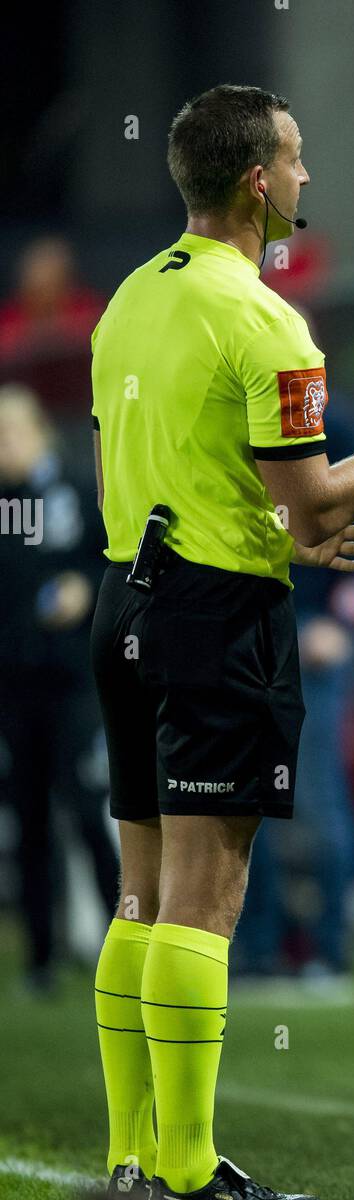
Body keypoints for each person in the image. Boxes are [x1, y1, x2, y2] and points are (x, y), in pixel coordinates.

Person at [90, 84, 354, 1200]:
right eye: (295, 160)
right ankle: (192, 1169)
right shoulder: (264, 319)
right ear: (257, 180)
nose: (307, 179)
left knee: (142, 897)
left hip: (126, 601)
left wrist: (283, 529)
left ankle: (132, 1153)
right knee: (206, 898)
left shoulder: (130, 299)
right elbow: (308, 506)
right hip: (214, 621)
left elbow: (181, 470)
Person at [0, 384, 118, 992]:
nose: (4, 446)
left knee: (88, 810)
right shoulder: (4, 503)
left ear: (39, 430)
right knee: (30, 820)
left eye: (11, 432)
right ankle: (41, 960)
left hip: (77, 683)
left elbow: (115, 560)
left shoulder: (77, 487)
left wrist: (84, 589)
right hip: (17, 688)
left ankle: (119, 946)